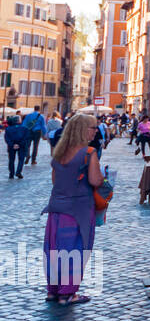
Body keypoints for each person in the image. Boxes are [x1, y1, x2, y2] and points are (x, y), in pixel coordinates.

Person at [43, 113, 104, 306]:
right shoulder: (89, 152)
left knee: (55, 249)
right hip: (79, 209)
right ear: (83, 130)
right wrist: (104, 178)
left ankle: (54, 291)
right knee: (75, 250)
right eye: (93, 127)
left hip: (57, 208)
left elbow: (55, 182)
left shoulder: (59, 151)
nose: (96, 131)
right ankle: (68, 294)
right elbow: (95, 181)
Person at [6, 114, 30, 179]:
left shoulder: (8, 129)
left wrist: (12, 145)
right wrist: (19, 144)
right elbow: (25, 138)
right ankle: (18, 172)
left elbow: (7, 138)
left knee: (11, 160)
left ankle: (11, 173)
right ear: (19, 121)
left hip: (12, 146)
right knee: (21, 159)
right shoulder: (25, 129)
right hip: (21, 146)